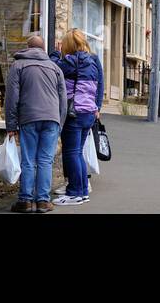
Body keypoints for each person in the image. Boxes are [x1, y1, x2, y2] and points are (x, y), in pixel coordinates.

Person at [5, 34, 67, 213]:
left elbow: (12, 97)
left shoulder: (18, 65)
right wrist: (60, 124)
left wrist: (11, 125)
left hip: (29, 117)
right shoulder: (55, 68)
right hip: (52, 119)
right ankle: (43, 202)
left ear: (27, 47)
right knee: (46, 160)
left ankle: (25, 201)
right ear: (43, 49)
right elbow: (63, 100)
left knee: (28, 160)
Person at [51, 29, 104, 206]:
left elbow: (53, 67)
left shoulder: (70, 61)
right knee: (78, 152)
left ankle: (74, 193)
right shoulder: (92, 61)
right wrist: (98, 106)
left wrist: (56, 52)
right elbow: (100, 84)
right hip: (89, 112)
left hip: (74, 113)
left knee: (72, 153)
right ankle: (82, 192)